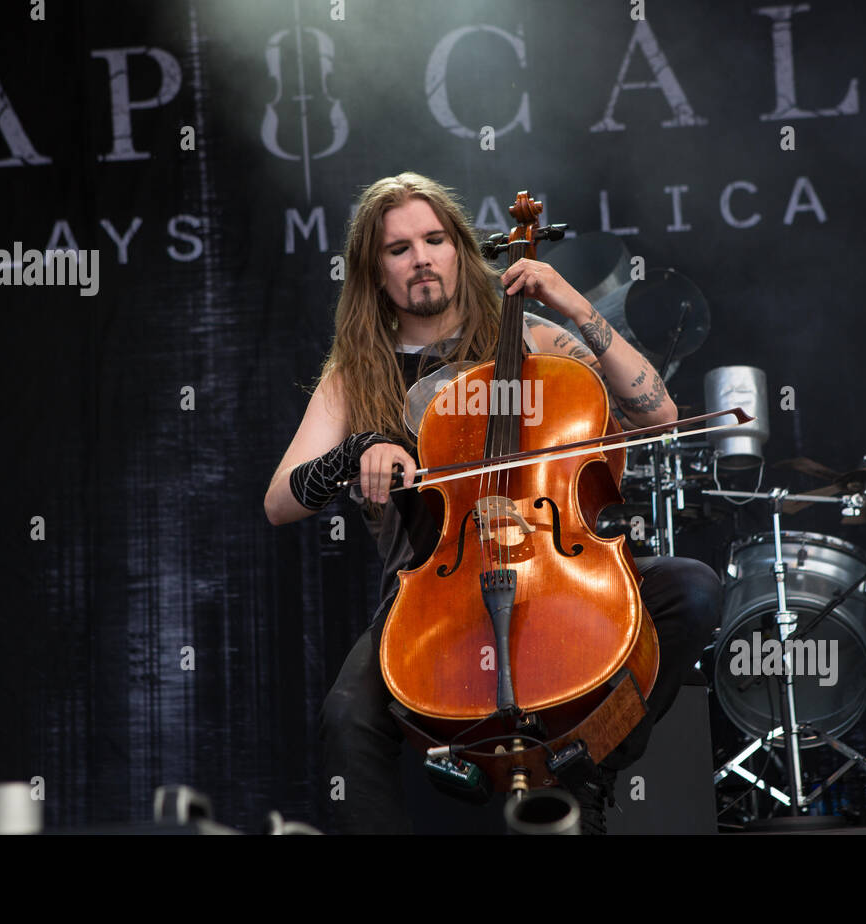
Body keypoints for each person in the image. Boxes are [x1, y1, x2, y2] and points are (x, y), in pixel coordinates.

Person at [264, 172, 721, 833]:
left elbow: (660, 415)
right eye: (399, 249)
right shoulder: (353, 375)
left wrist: (572, 304)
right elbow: (279, 501)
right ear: (375, 271)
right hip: (433, 598)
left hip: (557, 571)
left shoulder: (532, 339)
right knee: (346, 716)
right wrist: (355, 452)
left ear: (460, 248)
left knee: (693, 589)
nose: (421, 258)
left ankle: (587, 762)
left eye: (435, 239)